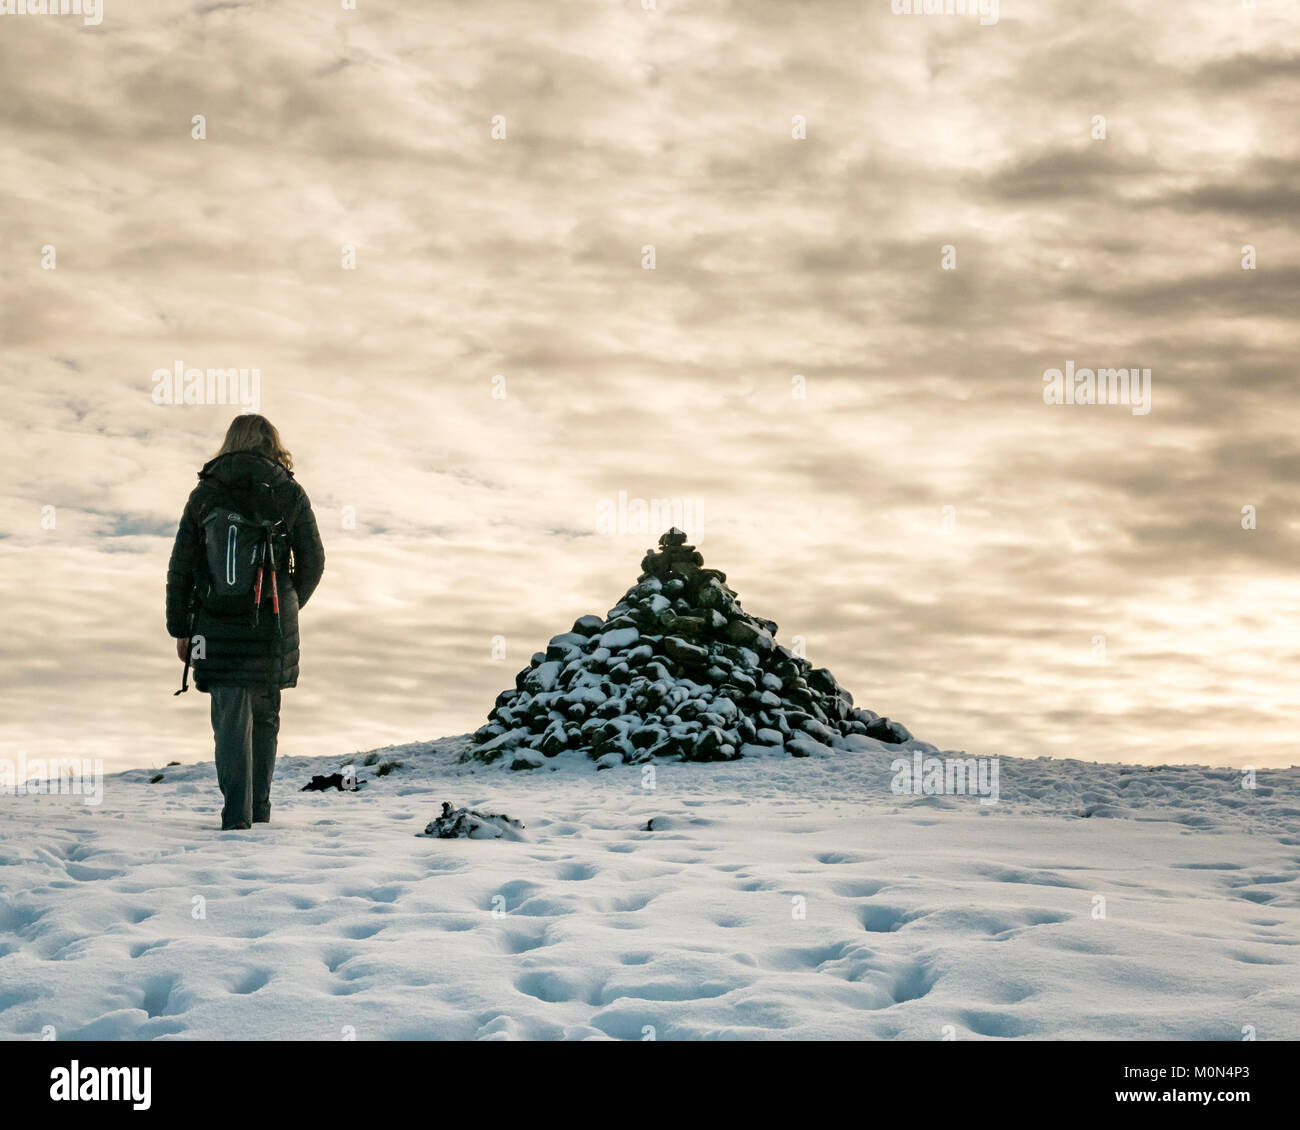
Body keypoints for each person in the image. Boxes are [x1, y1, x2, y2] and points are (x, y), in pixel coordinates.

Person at [165, 415, 325, 830]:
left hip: (215, 622)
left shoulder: (205, 493)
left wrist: (180, 627)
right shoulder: (288, 491)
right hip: (270, 624)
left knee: (230, 719)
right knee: (265, 714)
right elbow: (313, 560)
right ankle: (260, 811)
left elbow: (182, 566)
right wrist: (287, 602)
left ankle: (237, 816)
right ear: (273, 443)